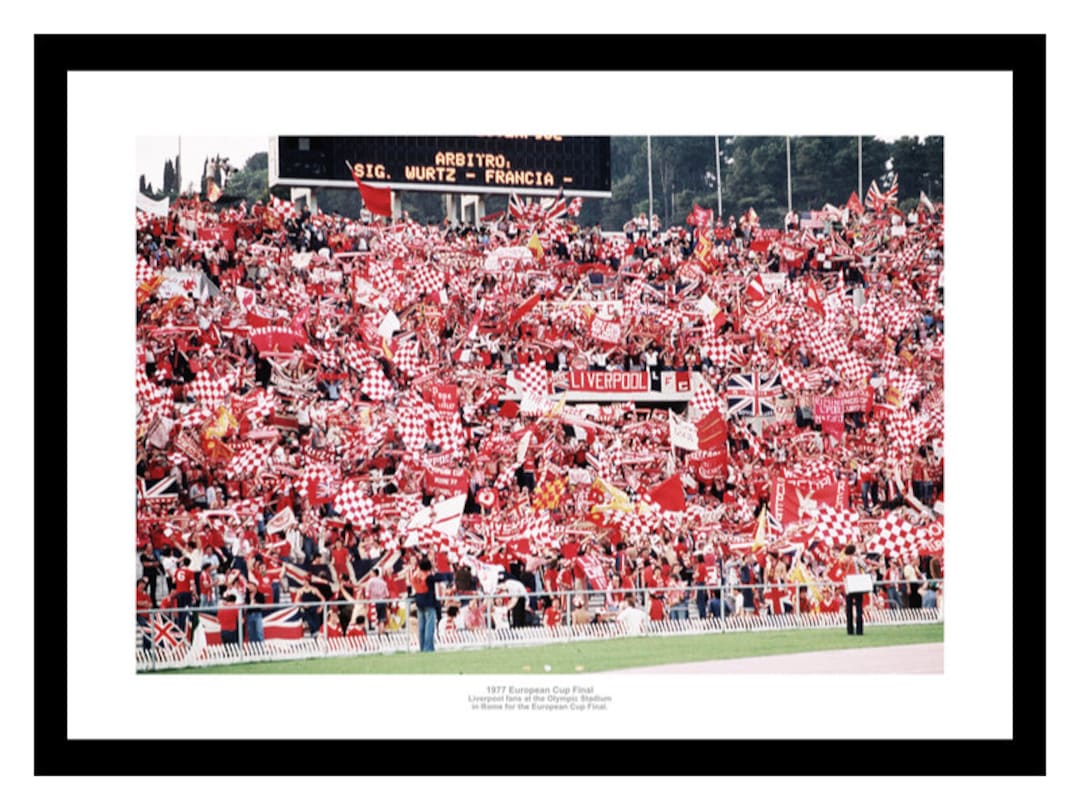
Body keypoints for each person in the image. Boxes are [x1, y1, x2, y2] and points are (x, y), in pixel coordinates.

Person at [409, 557, 454, 653]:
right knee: (429, 626)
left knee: (421, 626)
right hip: (429, 602)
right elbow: (441, 577)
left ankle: (422, 647)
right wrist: (434, 569)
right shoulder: (428, 577)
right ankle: (428, 647)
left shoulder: (415, 575)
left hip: (419, 601)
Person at [841, 544, 869, 636]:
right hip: (857, 583)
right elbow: (865, 567)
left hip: (848, 583)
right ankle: (859, 630)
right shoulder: (856, 559)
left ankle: (850, 630)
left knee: (849, 608)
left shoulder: (843, 560)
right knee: (858, 607)